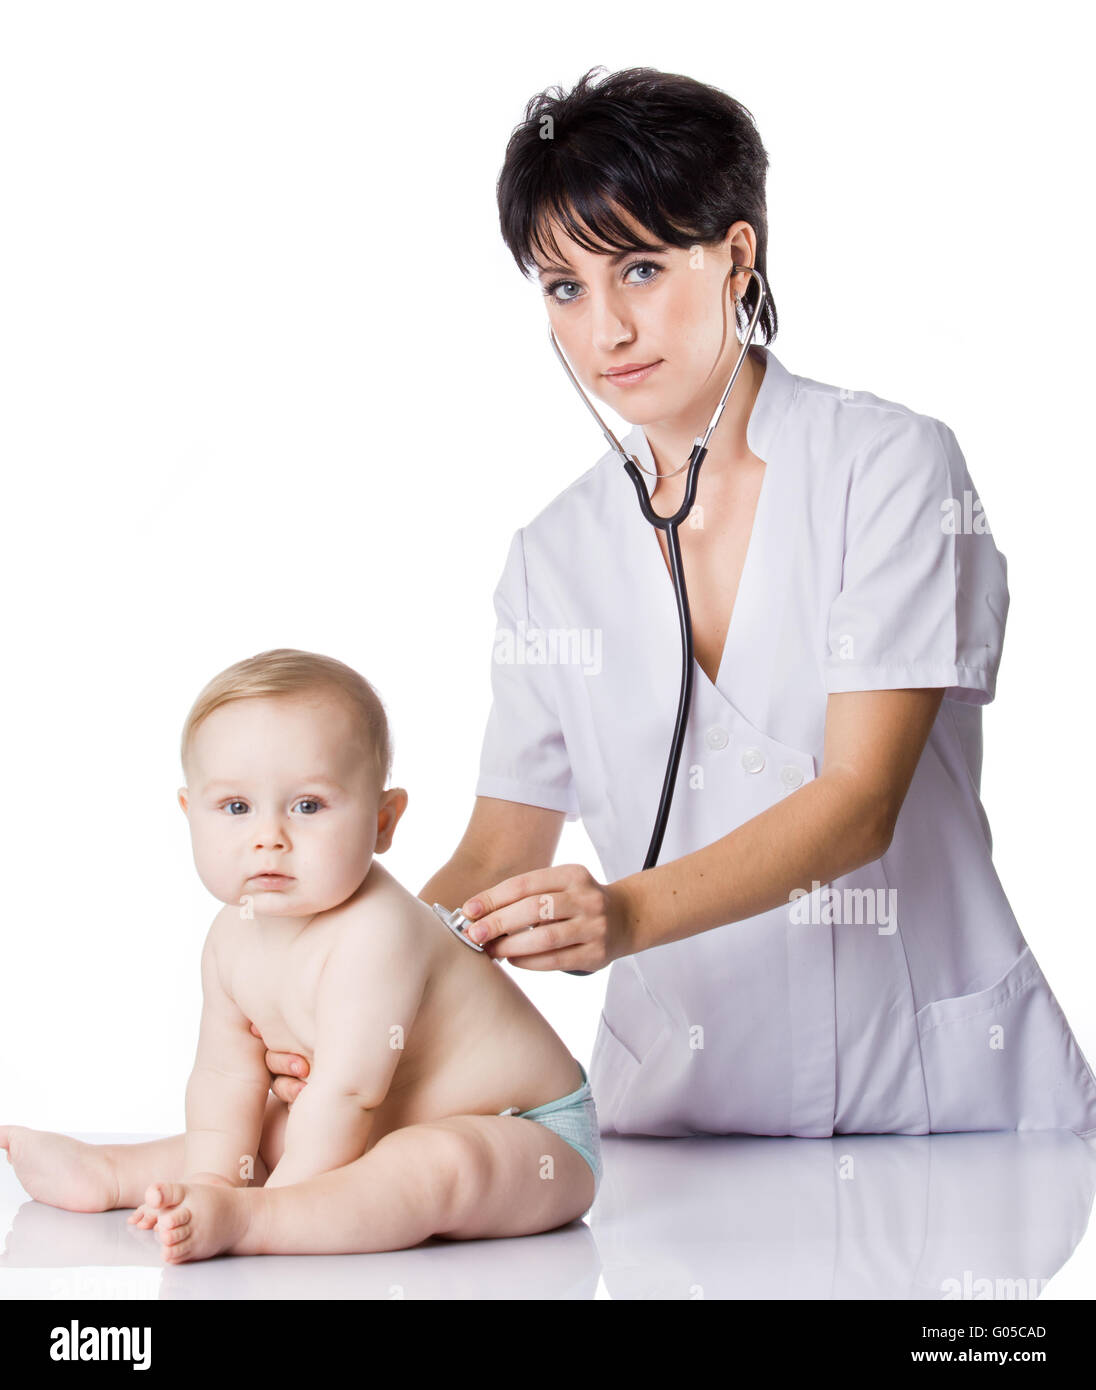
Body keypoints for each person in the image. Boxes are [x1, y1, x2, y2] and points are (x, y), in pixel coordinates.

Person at [270, 65, 1096, 1141]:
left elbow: (859, 799)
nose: (606, 327)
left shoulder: (886, 466)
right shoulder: (550, 558)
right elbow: (498, 851)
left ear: (736, 256)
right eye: (563, 287)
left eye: (643, 268)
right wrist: (347, 991)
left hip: (939, 1103)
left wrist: (620, 915)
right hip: (676, 1116)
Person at [1, 649, 603, 1261]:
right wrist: (211, 1184)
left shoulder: (379, 929)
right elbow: (224, 1077)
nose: (269, 836)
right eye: (236, 808)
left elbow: (346, 1096)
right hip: (377, 1118)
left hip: (532, 1134)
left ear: (382, 822)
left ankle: (260, 1223)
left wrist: (260, 1208)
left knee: (433, 1164)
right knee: (265, 1129)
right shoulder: (229, 936)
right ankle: (113, 1173)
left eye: (308, 806)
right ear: (190, 815)